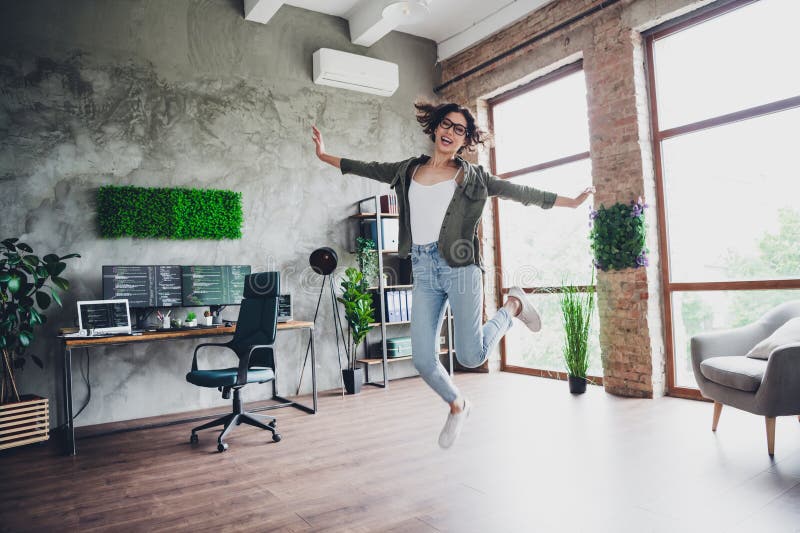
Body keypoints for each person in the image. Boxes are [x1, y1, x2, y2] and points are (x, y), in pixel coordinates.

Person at [312, 101, 595, 449]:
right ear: (435, 128)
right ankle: (457, 404)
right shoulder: (407, 170)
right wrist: (325, 156)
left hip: (461, 268)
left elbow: (520, 192)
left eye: (459, 130)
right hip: (422, 267)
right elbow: (366, 167)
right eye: (446, 125)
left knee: (471, 356)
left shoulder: (474, 178)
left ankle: (512, 308)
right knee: (422, 359)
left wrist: (572, 202)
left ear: (466, 140)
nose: (450, 132)